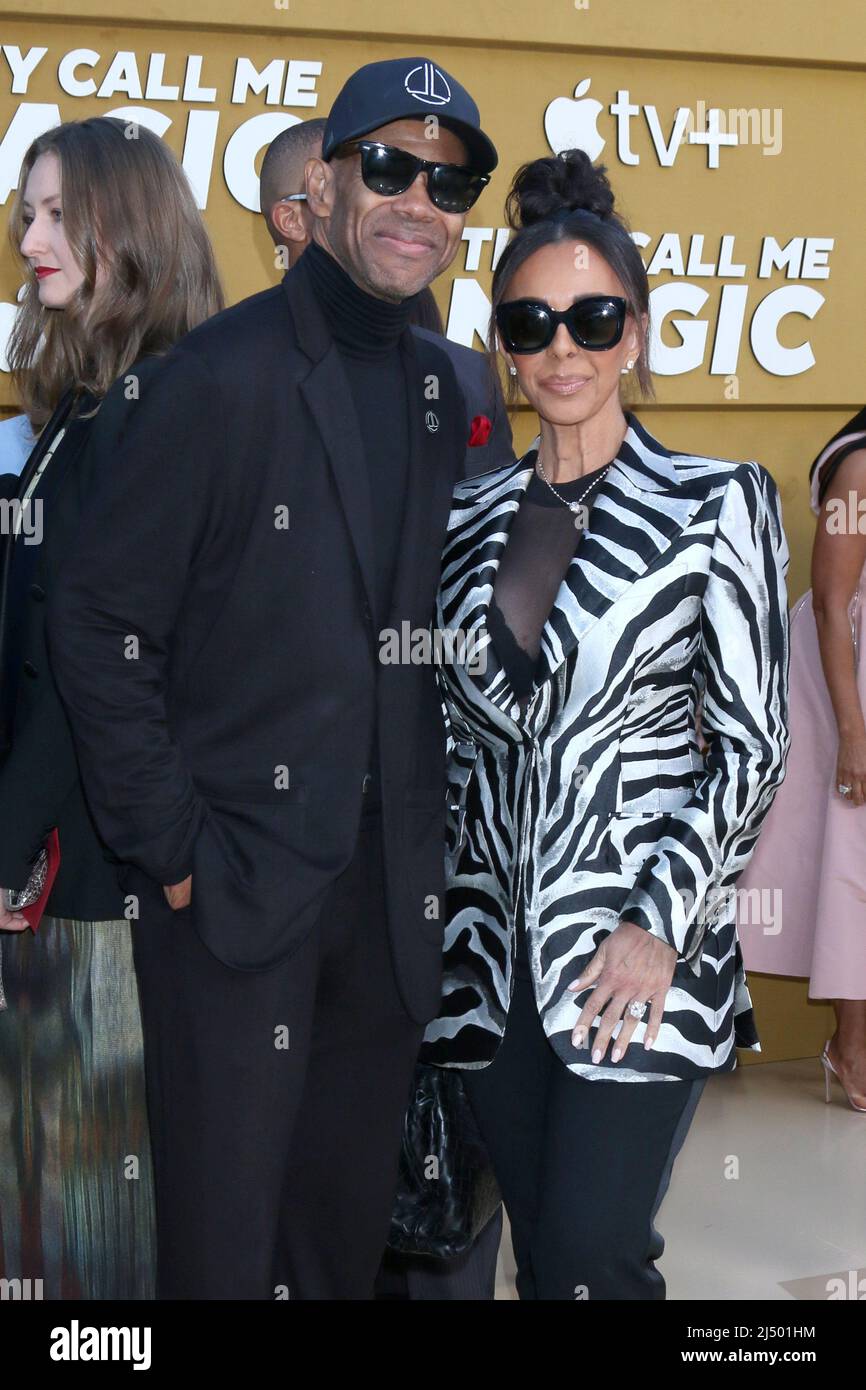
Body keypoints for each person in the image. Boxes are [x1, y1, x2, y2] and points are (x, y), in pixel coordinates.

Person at [48, 57, 498, 1300]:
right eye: (390, 168)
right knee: (224, 1252)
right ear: (323, 181)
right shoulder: (214, 378)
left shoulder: (453, 389)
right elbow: (94, 622)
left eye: (448, 179)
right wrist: (174, 847)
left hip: (390, 900)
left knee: (336, 1247)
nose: (418, 200)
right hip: (235, 897)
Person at [420, 149, 791, 1300]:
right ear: (503, 348)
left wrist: (654, 923)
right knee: (541, 1255)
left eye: (591, 319)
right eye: (531, 324)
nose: (561, 350)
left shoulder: (713, 503)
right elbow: (445, 745)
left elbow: (748, 745)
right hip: (487, 967)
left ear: (634, 333)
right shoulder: (462, 518)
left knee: (591, 1257)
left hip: (636, 960)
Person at [0, 116, 223, 1298]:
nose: (29, 237)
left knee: (79, 1215)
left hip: (88, 876)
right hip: (56, 865)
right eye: (25, 213)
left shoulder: (154, 406)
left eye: (53, 213)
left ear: (123, 227)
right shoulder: (83, 402)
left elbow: (94, 667)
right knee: (44, 1200)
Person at [260, 117, 514, 481]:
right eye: (384, 173)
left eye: (447, 184)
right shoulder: (222, 369)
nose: (414, 207)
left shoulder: (464, 378)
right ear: (308, 202)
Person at [737, 408, 866, 1112]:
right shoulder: (862, 466)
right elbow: (831, 603)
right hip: (844, 688)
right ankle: (851, 1045)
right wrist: (852, 731)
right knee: (850, 865)